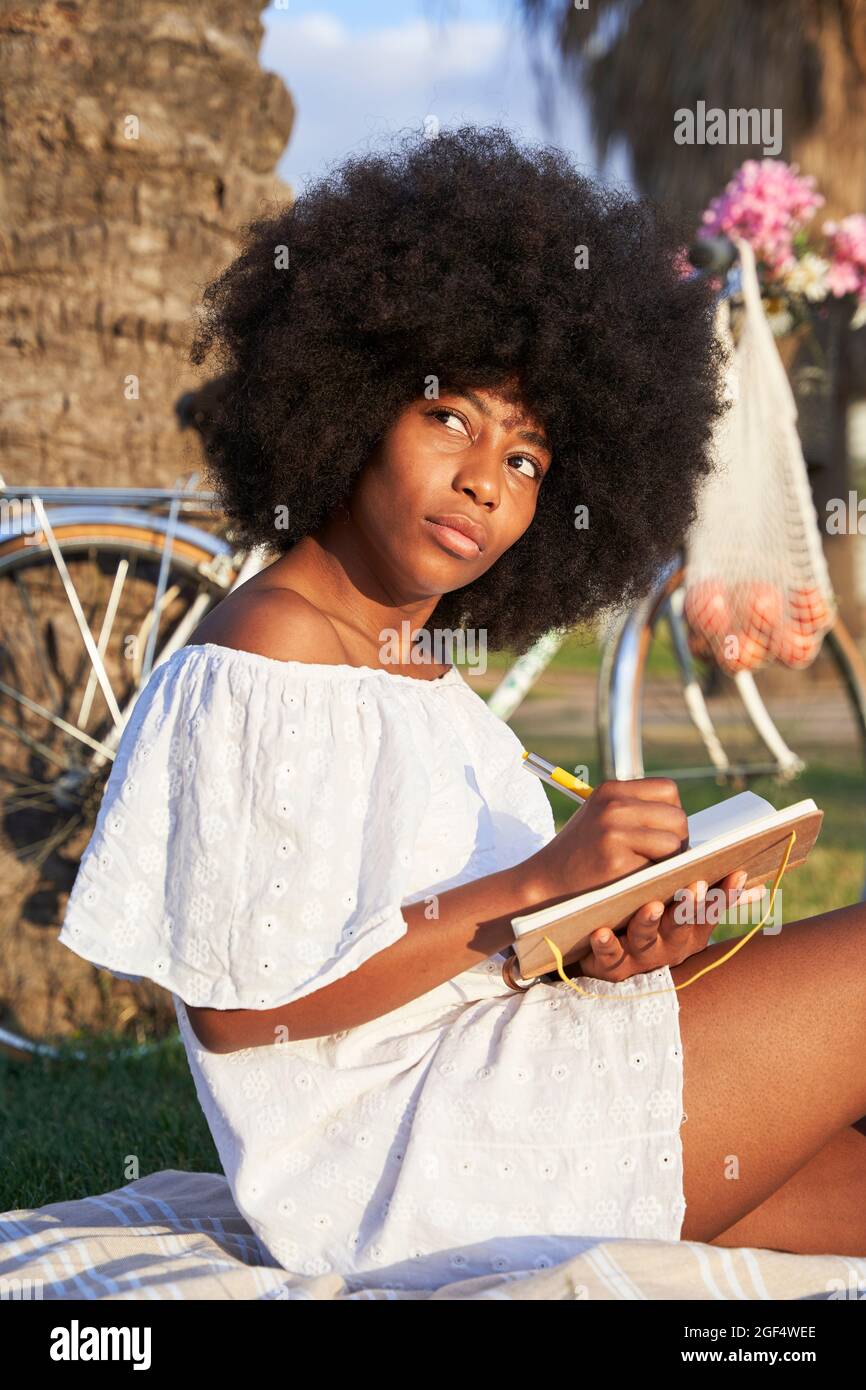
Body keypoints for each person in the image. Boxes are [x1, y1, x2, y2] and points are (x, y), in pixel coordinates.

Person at [58, 126, 866, 1290]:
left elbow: (457, 946)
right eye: (451, 418)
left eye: (528, 460)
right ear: (348, 403)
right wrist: (537, 883)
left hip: (511, 1081)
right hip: (408, 1159)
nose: (486, 479)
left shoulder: (419, 673)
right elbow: (239, 1012)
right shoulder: (267, 651)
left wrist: (604, 940)